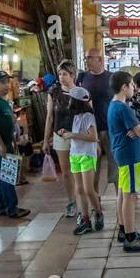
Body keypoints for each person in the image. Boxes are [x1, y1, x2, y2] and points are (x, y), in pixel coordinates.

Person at [108, 71, 140, 252]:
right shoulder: (123, 108)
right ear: (124, 87)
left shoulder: (113, 105)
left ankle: (123, 229)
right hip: (129, 156)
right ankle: (130, 237)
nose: (134, 88)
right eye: (131, 85)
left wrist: (136, 129)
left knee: (122, 193)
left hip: (122, 153)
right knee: (130, 195)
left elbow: (132, 130)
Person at [0, 70, 30, 219]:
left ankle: (0, 207)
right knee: (7, 177)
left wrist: (14, 141)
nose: (6, 85)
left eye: (7, 82)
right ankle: (12, 208)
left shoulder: (5, 103)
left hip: (8, 143)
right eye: (3, 82)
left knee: (1, 177)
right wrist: (0, 144)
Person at [59, 86, 101, 234]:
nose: (68, 101)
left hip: (87, 155)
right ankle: (85, 219)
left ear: (75, 101)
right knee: (79, 189)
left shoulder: (88, 116)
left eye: (70, 99)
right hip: (75, 154)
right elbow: (76, 134)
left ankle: (98, 212)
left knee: (88, 189)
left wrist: (72, 135)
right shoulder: (76, 116)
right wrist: (67, 133)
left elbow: (93, 137)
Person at [44, 61, 80, 217]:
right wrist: (46, 139)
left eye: (65, 74)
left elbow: (87, 118)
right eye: (59, 74)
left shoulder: (80, 92)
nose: (61, 77)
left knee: (80, 170)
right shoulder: (53, 92)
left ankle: (84, 199)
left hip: (78, 137)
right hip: (60, 136)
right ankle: (72, 201)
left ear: (72, 75)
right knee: (66, 172)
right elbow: (50, 116)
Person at [79, 48, 114, 193]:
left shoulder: (112, 78)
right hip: (90, 129)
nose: (86, 60)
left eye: (89, 57)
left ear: (99, 59)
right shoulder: (82, 78)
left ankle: (120, 197)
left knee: (114, 163)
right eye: (86, 58)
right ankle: (95, 199)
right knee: (92, 166)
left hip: (109, 127)